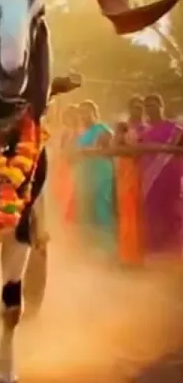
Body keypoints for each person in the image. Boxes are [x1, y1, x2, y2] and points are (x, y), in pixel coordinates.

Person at [140, 93, 183, 260]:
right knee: (152, 213)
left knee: (172, 213)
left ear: (161, 106)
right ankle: (156, 250)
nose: (150, 109)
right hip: (150, 180)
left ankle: (174, 251)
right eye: (147, 106)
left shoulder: (175, 130)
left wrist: (157, 148)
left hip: (171, 177)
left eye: (153, 105)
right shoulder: (145, 132)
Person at [73, 100, 116, 257]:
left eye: (87, 111)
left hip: (101, 171)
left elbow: (110, 149)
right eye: (81, 112)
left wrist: (88, 151)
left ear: (94, 112)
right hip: (85, 172)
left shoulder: (102, 129)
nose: (84, 115)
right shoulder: (82, 132)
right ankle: (89, 247)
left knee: (102, 206)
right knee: (86, 208)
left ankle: (107, 248)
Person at [113, 120, 142, 266]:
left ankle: (132, 256)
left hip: (129, 179)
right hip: (122, 179)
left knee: (130, 218)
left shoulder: (131, 138)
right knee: (125, 218)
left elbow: (133, 151)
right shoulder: (120, 143)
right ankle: (126, 255)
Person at [53, 103, 80, 225]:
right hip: (63, 165)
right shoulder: (63, 132)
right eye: (69, 116)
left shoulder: (81, 132)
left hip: (75, 165)